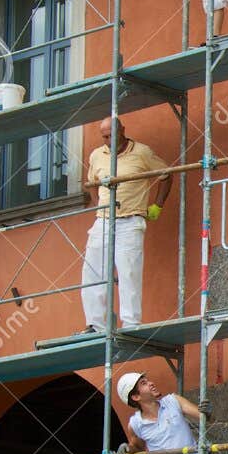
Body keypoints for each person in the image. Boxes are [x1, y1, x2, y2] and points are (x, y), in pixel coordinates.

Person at [81, 117, 171, 332]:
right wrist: (98, 207)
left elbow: (166, 175)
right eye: (104, 136)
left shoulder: (141, 152)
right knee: (93, 271)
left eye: (111, 135)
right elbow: (91, 183)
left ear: (122, 130)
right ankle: (95, 324)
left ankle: (130, 323)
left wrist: (157, 206)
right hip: (103, 220)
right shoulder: (97, 155)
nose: (108, 140)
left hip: (130, 220)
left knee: (129, 272)